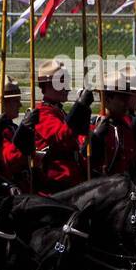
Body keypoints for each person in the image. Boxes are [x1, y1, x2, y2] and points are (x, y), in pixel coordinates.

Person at [24, 58, 87, 194]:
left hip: (71, 179)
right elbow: (62, 135)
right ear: (46, 86)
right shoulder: (41, 113)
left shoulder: (59, 111)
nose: (67, 88)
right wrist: (79, 106)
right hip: (55, 184)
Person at [88, 65, 136, 176]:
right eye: (122, 98)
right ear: (107, 99)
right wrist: (94, 139)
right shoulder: (92, 127)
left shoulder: (126, 128)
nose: (126, 103)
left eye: (127, 98)